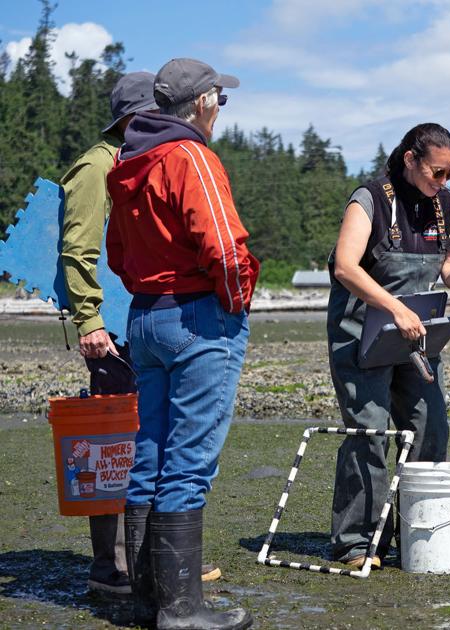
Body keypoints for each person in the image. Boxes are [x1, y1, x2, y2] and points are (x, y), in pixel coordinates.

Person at [106, 58, 258, 629]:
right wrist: (234, 300)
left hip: (145, 318)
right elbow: (223, 242)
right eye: (221, 99)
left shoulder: (129, 160)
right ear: (201, 103)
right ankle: (181, 608)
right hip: (197, 318)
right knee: (189, 463)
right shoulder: (191, 155)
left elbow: (118, 255)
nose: (221, 109)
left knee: (150, 456)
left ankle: (150, 599)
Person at [328, 123, 450, 568]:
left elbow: (448, 270)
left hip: (417, 333)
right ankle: (358, 543)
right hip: (360, 329)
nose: (443, 182)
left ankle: (414, 535)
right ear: (409, 160)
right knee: (370, 431)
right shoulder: (370, 199)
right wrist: (393, 307)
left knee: (430, 427)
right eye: (436, 172)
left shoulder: (446, 204)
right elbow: (346, 267)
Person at [59, 71, 158, 595]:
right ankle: (111, 568)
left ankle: (152, 560)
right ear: (133, 117)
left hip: (139, 320)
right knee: (110, 444)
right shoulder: (97, 165)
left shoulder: (137, 161)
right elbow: (78, 248)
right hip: (109, 327)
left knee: (148, 437)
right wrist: (90, 321)